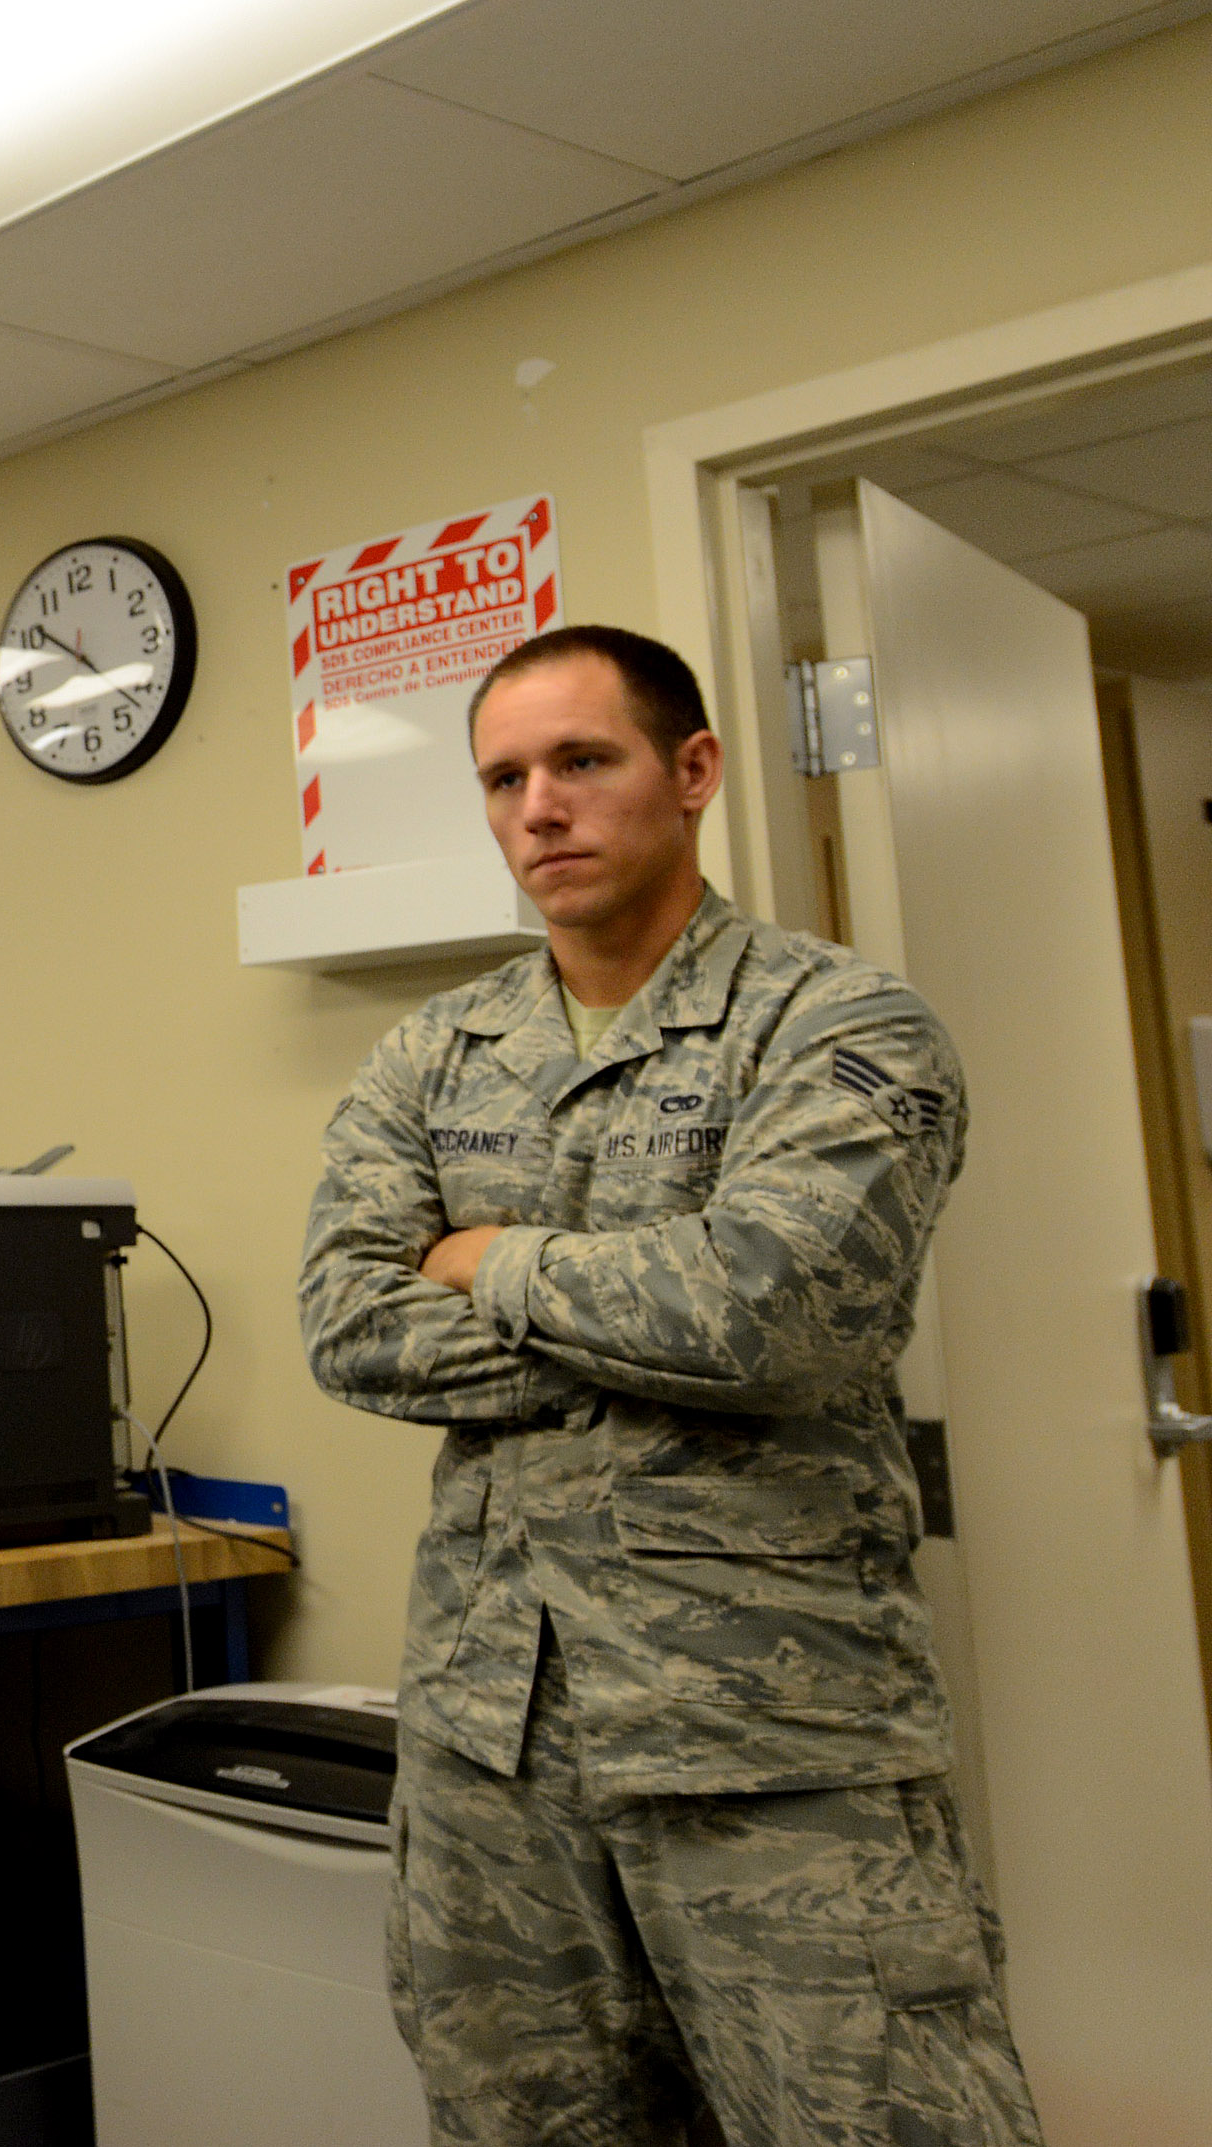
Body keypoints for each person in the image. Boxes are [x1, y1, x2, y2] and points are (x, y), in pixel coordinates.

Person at [298, 624, 1043, 2145]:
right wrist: (652, 1315)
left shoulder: (840, 1024)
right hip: (491, 1733)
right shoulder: (433, 1055)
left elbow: (777, 1316)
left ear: (693, 771)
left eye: (583, 760)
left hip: (773, 1738)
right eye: (504, 776)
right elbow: (349, 1319)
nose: (539, 809)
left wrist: (491, 1255)